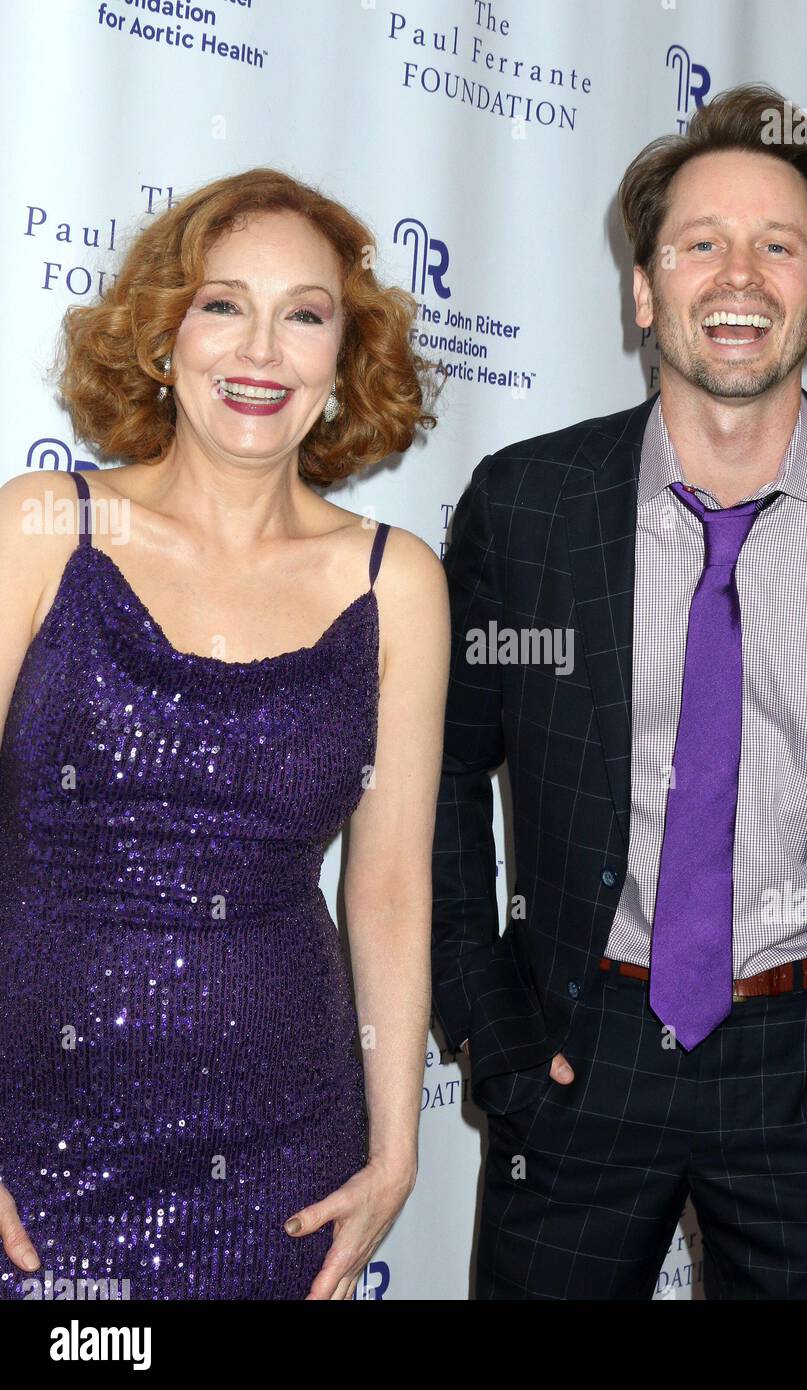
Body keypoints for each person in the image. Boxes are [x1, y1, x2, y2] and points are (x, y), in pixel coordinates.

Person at [431, 84, 807, 1299]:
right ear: (644, 289)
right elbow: (438, 780)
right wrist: (486, 1033)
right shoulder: (525, 505)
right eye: (699, 243)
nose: (738, 275)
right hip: (576, 1053)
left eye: (778, 246)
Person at [0, 168, 449, 1300]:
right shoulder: (44, 525)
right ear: (163, 336)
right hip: (30, 1133)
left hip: (278, 1157)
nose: (260, 351)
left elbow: (388, 888)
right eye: (221, 305)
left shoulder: (397, 583)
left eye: (304, 314)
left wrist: (394, 1149)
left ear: (345, 360)